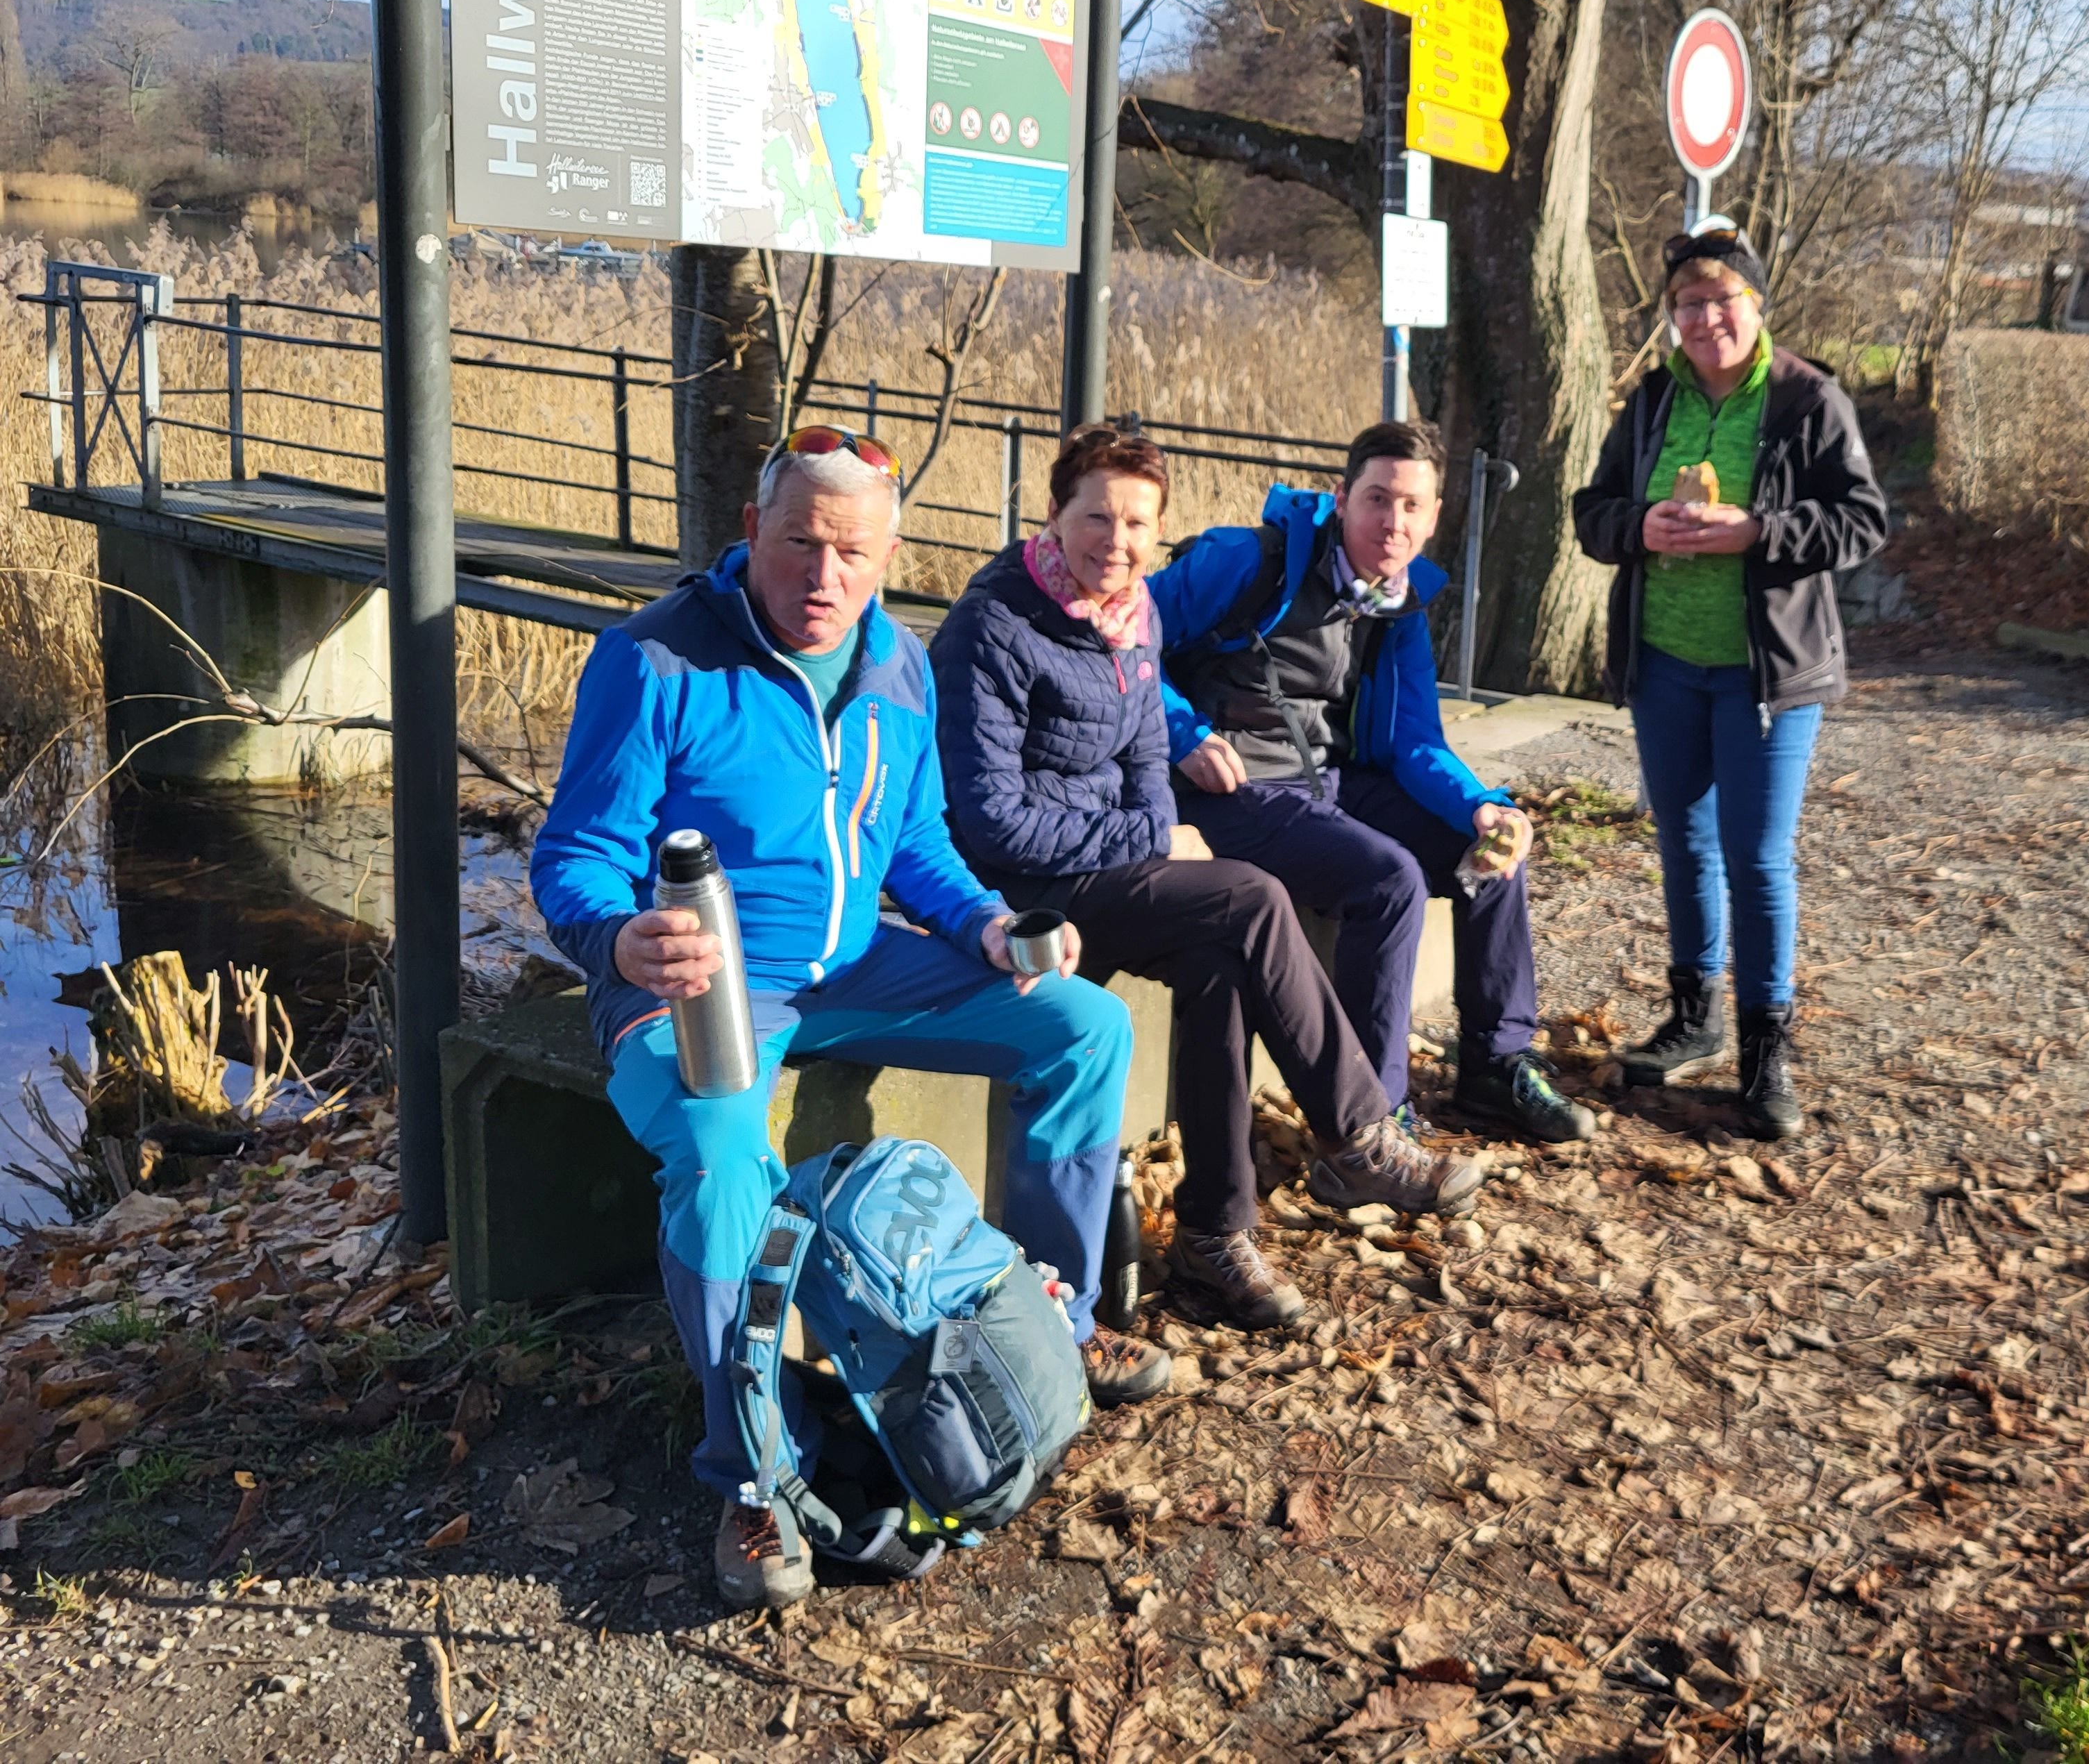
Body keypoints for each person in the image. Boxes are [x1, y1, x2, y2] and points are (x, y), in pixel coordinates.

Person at [530, 426, 1169, 1613]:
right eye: (800, 545)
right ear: (753, 533)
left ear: (887, 557)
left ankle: (1051, 1323)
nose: (824, 578)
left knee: (1086, 1028)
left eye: (854, 554)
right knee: (725, 1167)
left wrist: (984, 925)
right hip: (701, 984)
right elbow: (576, 854)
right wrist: (620, 940)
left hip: (861, 961)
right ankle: (756, 1473)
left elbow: (914, 839)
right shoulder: (655, 662)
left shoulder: (898, 665)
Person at [930, 423, 1484, 1336]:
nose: (1117, 540)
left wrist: (1151, 825)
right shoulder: (995, 622)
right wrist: (1153, 833)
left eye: (1138, 522)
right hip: (1017, 896)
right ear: (1055, 515)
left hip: (1114, 864)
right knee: (1252, 897)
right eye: (1097, 517)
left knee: (1220, 964)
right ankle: (1355, 1133)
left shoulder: (1132, 614)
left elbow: (1152, 757)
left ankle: (1214, 1237)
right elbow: (992, 822)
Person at [1148, 419, 1592, 1146]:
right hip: (1230, 787)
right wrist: (1181, 732)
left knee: (1489, 852)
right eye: (1377, 500)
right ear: (1341, 498)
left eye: (1412, 506)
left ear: (1435, 515)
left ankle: (1494, 1063)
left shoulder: (1401, 603)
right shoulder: (1247, 561)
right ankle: (1368, 1122)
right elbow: (1128, 636)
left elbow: (1416, 741)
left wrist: (1481, 805)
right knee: (1386, 880)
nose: (1393, 523)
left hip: (1327, 784)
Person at [1572, 224, 1889, 1140]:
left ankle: (1765, 1053)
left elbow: (1862, 522)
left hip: (1766, 673)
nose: (1707, 318)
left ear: (1755, 307)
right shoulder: (1650, 402)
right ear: (1671, 318)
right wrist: (1640, 528)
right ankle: (1693, 1018)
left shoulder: (1807, 399)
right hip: (1666, 661)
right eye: (1689, 304)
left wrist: (1763, 532)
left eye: (1723, 301)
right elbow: (1591, 514)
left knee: (1757, 858)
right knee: (1685, 843)